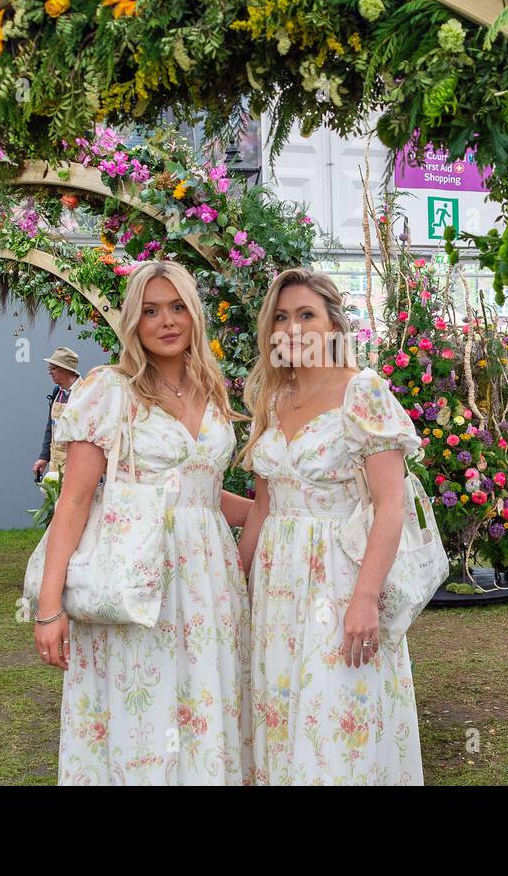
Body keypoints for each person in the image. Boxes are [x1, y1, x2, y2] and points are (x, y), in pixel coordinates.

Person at [32, 261, 253, 785]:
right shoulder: (109, 390)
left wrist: (287, 510)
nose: (166, 321)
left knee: (204, 703)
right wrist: (47, 608)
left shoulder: (212, 388)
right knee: (143, 708)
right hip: (136, 578)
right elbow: (74, 501)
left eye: (177, 307)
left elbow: (199, 490)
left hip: (209, 582)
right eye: (150, 310)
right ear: (133, 321)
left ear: (195, 315)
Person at [237, 268, 424, 785]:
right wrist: (234, 581)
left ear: (334, 326)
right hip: (277, 592)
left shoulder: (362, 392)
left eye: (306, 315)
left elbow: (391, 505)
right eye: (281, 317)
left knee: (339, 721)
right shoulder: (273, 401)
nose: (292, 328)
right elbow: (262, 508)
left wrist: (364, 598)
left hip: (339, 583)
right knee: (282, 719)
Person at [33, 347, 80, 481]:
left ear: (64, 369)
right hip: (56, 466)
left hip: (76, 467)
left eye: (52, 368)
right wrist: (44, 457)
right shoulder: (56, 392)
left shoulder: (84, 393)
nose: (50, 373)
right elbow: (51, 427)